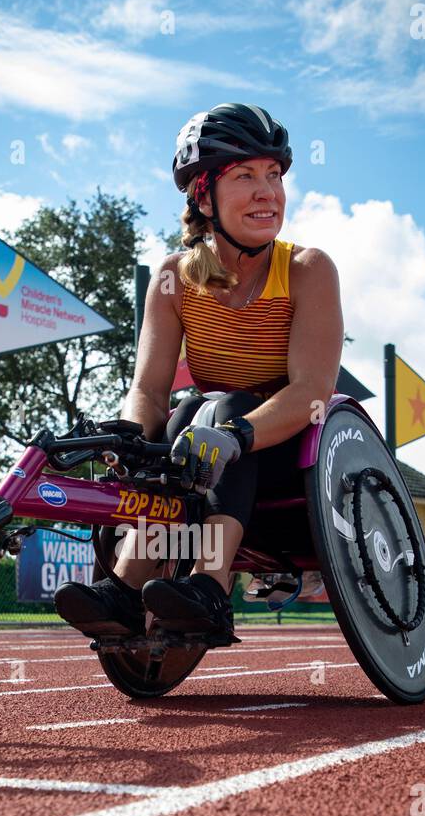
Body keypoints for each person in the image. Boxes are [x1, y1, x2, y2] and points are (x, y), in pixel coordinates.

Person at [55, 101, 344, 640]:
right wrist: (129, 441)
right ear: (202, 196)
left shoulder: (308, 270)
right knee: (181, 416)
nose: (268, 191)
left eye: (274, 175)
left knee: (220, 411)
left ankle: (211, 589)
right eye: (245, 176)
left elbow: (311, 391)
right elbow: (148, 387)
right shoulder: (173, 278)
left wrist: (235, 434)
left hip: (292, 456)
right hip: (206, 447)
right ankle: (121, 592)